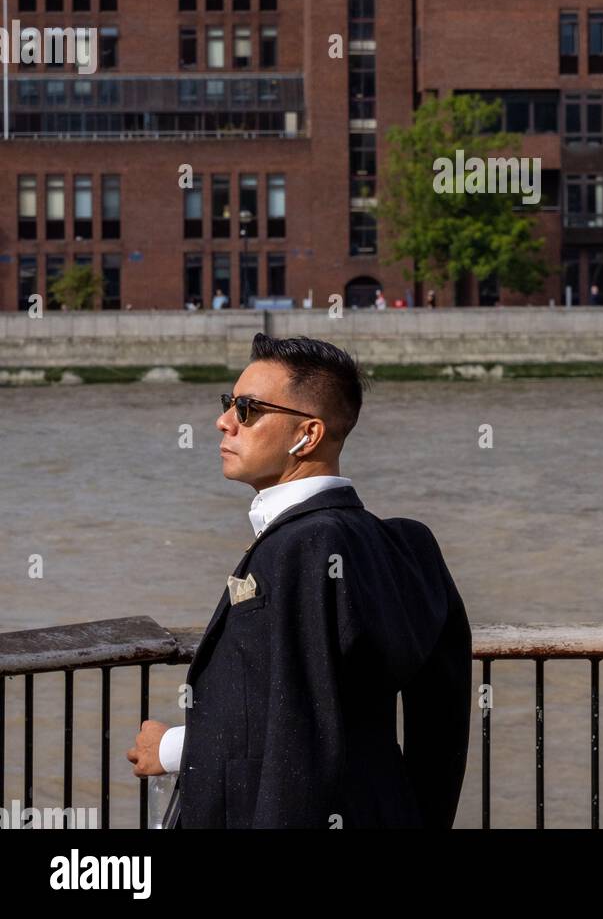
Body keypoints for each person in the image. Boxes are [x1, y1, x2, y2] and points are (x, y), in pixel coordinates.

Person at [125, 333, 472, 828]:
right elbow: (441, 722)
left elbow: (300, 723)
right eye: (229, 404)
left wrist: (175, 746)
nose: (224, 421)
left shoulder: (303, 546)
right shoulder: (407, 545)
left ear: (306, 436)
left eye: (247, 409)